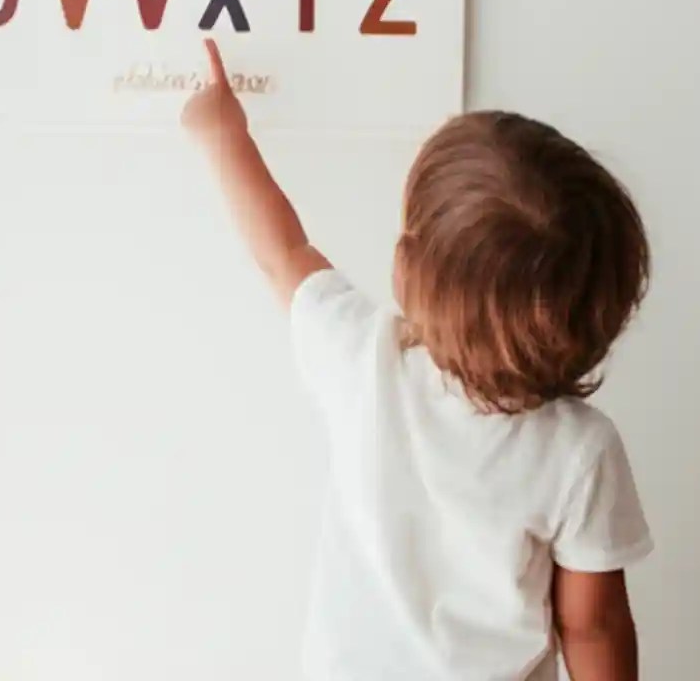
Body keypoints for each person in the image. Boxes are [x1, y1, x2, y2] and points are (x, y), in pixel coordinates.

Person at [182, 39, 653, 681]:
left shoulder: (363, 359)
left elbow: (282, 251)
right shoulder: (580, 451)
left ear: (405, 271)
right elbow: (591, 627)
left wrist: (220, 134)